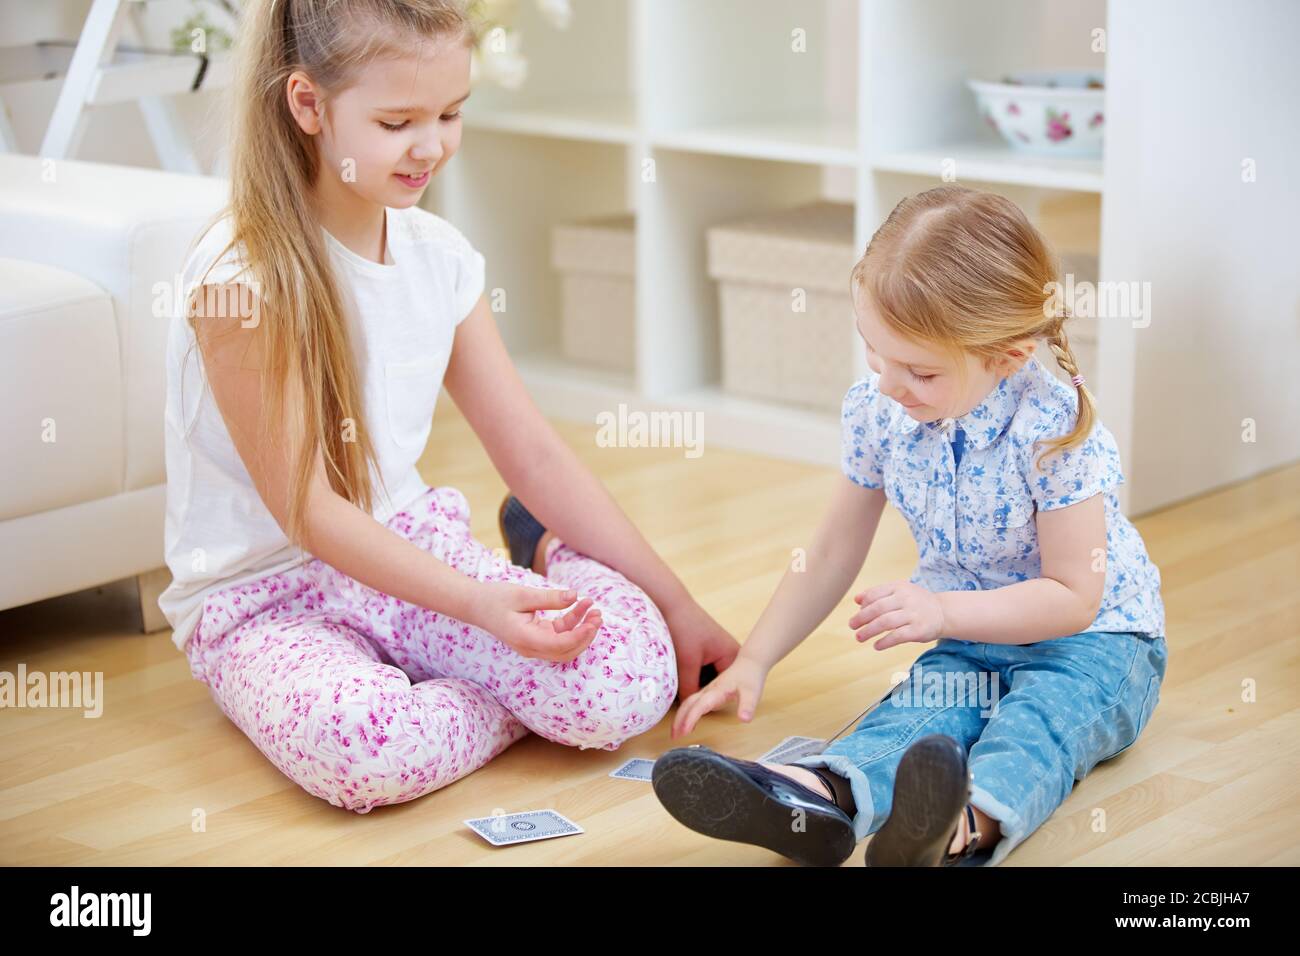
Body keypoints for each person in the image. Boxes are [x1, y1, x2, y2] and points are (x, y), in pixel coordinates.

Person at [159, 0, 738, 814]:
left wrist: (677, 606)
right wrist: (481, 613)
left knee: (631, 682)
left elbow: (531, 453)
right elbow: (308, 511)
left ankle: (545, 556)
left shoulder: (441, 259)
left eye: (451, 114)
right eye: (397, 121)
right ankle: (484, 696)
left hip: (408, 549)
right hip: (266, 597)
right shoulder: (242, 282)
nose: (430, 145)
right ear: (308, 106)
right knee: (371, 750)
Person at [654, 185, 1167, 867]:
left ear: (1007, 356)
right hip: (967, 634)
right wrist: (755, 659)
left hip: (1098, 645)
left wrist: (941, 608)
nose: (890, 384)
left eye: (920, 370)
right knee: (918, 712)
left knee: (1038, 723)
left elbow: (1075, 597)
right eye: (874, 352)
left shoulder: (1057, 432)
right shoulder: (881, 409)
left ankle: (960, 830)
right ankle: (823, 796)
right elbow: (834, 548)